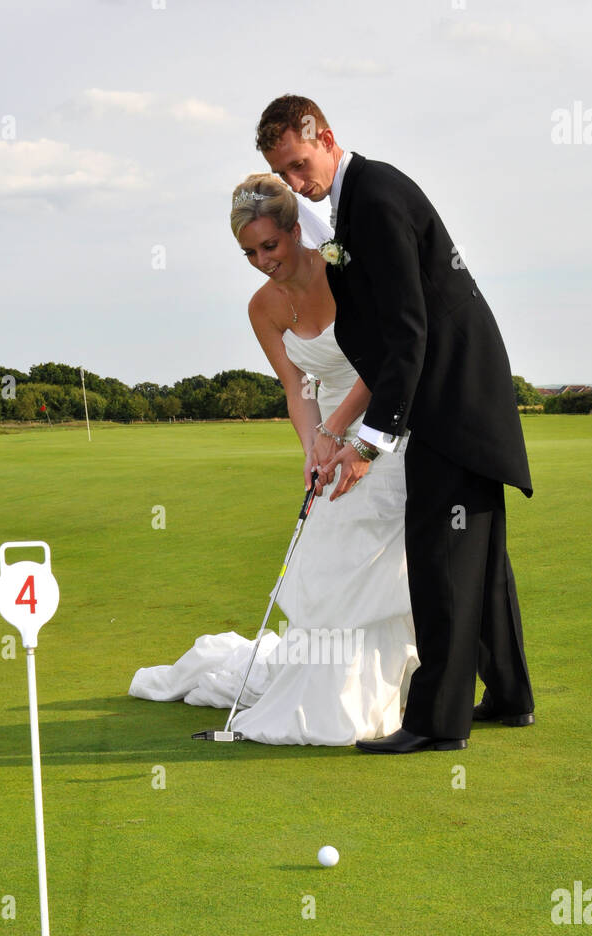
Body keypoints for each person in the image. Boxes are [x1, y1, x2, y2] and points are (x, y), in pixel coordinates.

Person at [256, 95, 536, 754]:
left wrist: (367, 445)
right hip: (459, 396)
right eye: (284, 174)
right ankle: (509, 694)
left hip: (448, 402)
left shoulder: (373, 199)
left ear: (325, 137)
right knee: (479, 556)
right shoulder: (356, 201)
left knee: (439, 557)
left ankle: (435, 723)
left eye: (299, 165)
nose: (297, 185)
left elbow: (409, 331)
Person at [128, 173, 418, 746]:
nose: (262, 261)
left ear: (294, 230)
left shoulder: (346, 276)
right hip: (330, 435)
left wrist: (340, 432)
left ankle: (382, 694)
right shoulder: (262, 308)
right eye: (249, 253)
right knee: (327, 561)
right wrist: (312, 447)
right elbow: (296, 386)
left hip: (382, 428)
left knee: (375, 566)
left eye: (270, 246)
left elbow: (383, 362)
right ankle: (323, 691)